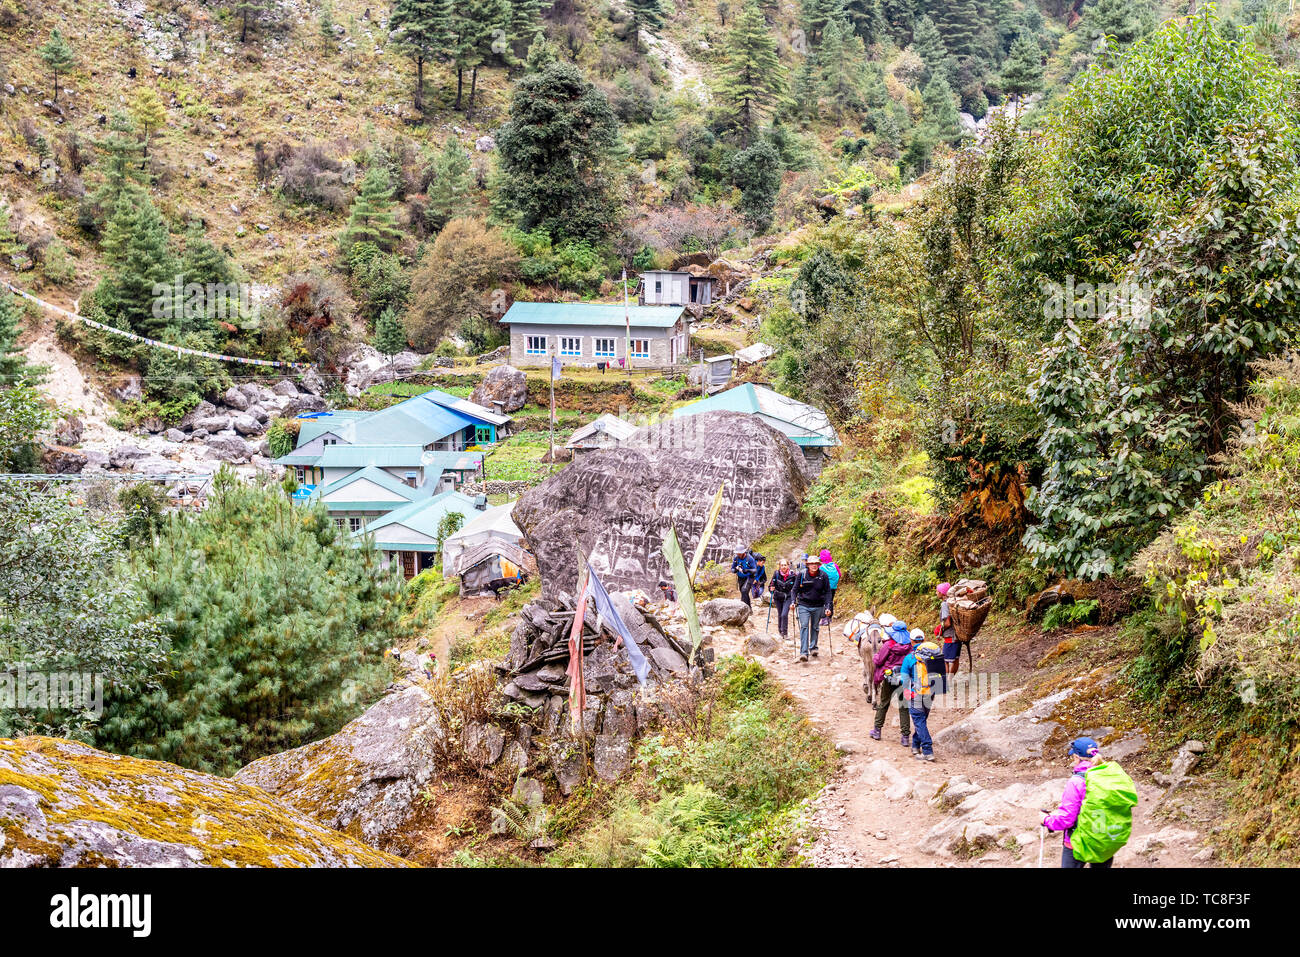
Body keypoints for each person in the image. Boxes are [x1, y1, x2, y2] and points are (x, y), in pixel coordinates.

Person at [1042, 738, 1124, 868]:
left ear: (1076, 757)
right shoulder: (1108, 775)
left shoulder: (1076, 781)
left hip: (1078, 841)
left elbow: (1067, 819)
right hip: (1104, 838)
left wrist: (1046, 820)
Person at [898, 634, 947, 761]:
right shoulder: (933, 656)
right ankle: (915, 745)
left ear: (911, 641)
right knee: (921, 721)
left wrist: (907, 692)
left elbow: (904, 678)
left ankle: (927, 751)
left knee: (919, 721)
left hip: (916, 693)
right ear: (923, 640)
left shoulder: (910, 658)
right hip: (931, 691)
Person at [870, 620, 913, 744]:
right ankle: (905, 737)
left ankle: (877, 731)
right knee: (904, 706)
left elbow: (879, 661)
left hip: (890, 677)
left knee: (883, 703)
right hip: (904, 678)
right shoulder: (909, 646)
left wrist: (875, 656)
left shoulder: (889, 645)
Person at [793, 553, 830, 662]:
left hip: (818, 605)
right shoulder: (801, 575)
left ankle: (813, 647)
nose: (814, 565)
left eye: (816, 563)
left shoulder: (823, 576)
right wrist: (792, 601)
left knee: (815, 627)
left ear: (818, 565)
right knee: (804, 626)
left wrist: (828, 606)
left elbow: (827, 592)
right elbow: (795, 589)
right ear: (807, 565)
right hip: (803, 605)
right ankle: (804, 653)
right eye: (811, 563)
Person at [769, 557, 796, 643]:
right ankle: (780, 631)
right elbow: (771, 585)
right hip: (778, 597)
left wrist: (795, 595)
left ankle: (785, 633)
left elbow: (796, 587)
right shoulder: (776, 574)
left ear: (788, 565)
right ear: (779, 566)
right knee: (780, 614)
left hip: (788, 597)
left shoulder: (793, 575)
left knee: (784, 614)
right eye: (782, 565)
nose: (783, 567)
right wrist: (771, 589)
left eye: (785, 565)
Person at [937, 582, 961, 679]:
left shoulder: (944, 604)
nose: (936, 593)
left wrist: (940, 630)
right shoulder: (953, 602)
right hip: (958, 635)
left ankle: (947, 681)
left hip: (950, 636)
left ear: (942, 593)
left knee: (944, 660)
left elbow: (947, 622)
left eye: (937, 591)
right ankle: (950, 680)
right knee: (955, 659)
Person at [818, 548, 841, 623]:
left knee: (824, 601)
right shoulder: (834, 565)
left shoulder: (821, 567)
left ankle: (824, 618)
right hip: (833, 587)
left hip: (824, 588)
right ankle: (829, 617)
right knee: (830, 601)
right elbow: (839, 574)